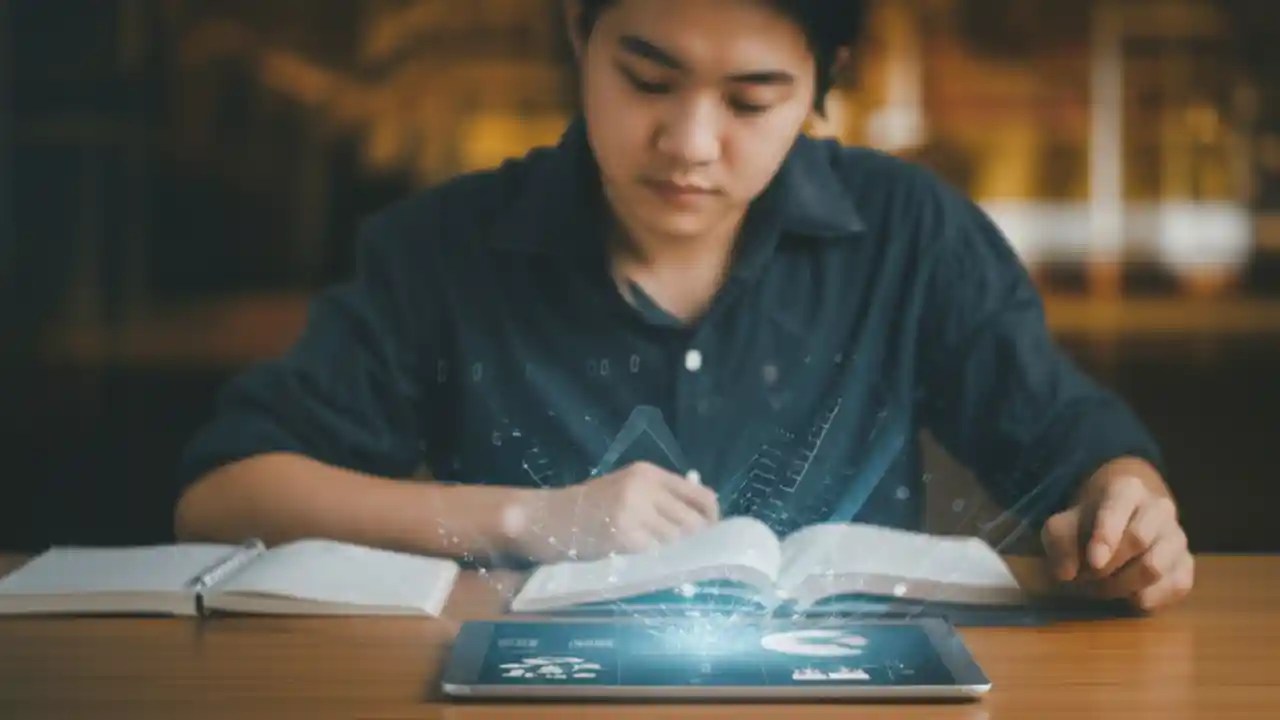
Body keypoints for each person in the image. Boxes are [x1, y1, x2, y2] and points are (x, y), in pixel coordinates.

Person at [174, 0, 1193, 611]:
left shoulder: (909, 233)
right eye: (647, 80)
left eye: (751, 100)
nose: (692, 144)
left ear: (824, 81)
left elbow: (1071, 442)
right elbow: (222, 496)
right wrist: (530, 518)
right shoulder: (441, 248)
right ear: (578, 32)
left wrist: (1126, 510)